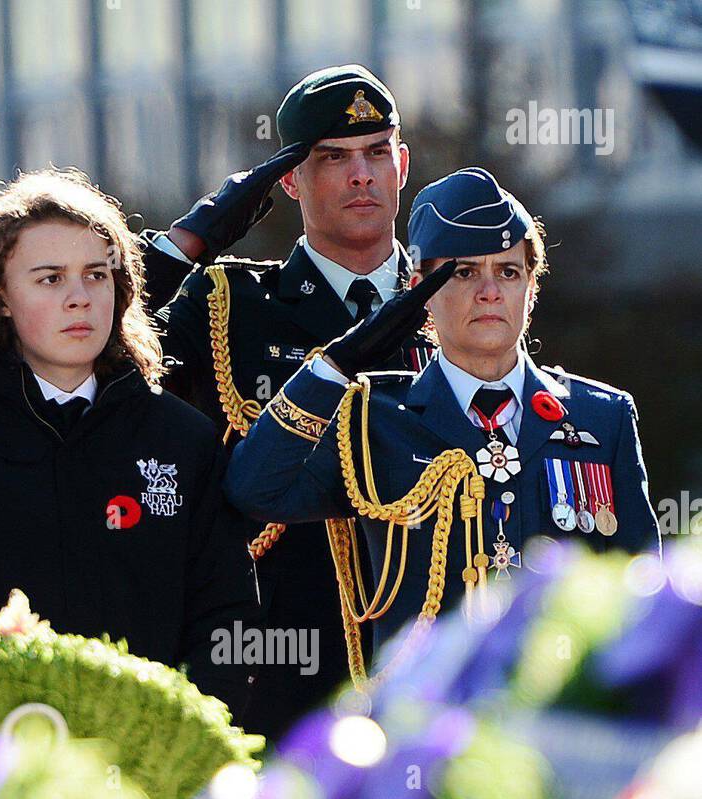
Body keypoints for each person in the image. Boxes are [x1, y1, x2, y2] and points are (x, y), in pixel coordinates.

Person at [225, 167, 661, 684]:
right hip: (428, 717)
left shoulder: (600, 416)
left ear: (531, 285)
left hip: (558, 714)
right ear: (417, 292)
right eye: (463, 273)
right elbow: (255, 491)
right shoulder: (373, 418)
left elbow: (642, 590)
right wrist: (332, 369)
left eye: (508, 272)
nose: (490, 292)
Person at [0, 168, 258, 719]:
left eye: (97, 275)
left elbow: (226, 620)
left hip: (162, 769)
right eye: (50, 279)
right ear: (0, 295)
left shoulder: (184, 438)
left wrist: (175, 737)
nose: (80, 298)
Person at [141, 64, 434, 737]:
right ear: (290, 180)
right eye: (332, 158)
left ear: (402, 164)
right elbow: (85, 349)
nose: (361, 175)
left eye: (376, 153)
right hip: (271, 684)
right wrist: (184, 244)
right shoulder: (227, 305)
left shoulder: (454, 301)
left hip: (426, 689)